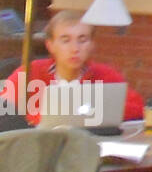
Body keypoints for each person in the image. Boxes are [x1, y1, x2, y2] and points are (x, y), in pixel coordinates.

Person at [0, 11, 144, 126]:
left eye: (82, 40)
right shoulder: (30, 72)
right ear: (50, 45)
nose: (75, 48)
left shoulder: (105, 74)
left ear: (92, 45)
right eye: (65, 40)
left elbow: (137, 107)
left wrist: (79, 113)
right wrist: (45, 117)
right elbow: (3, 110)